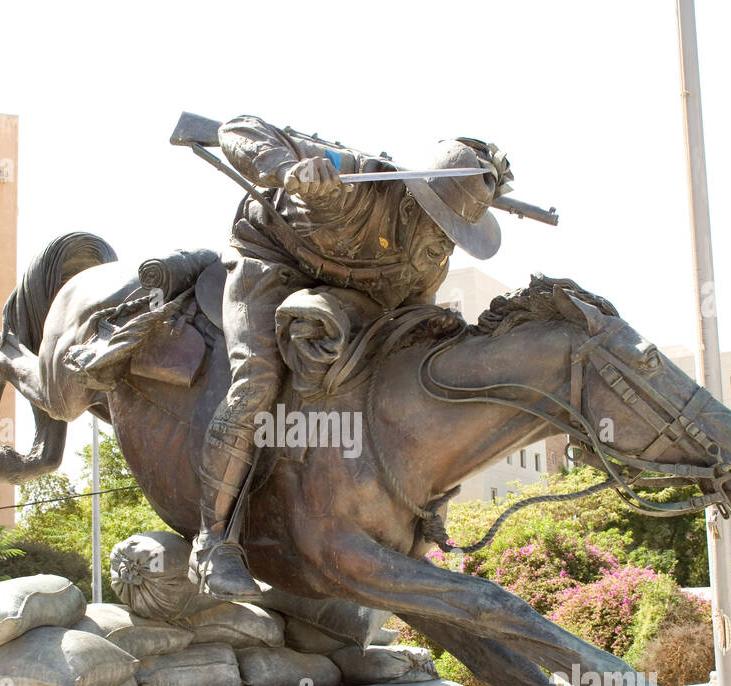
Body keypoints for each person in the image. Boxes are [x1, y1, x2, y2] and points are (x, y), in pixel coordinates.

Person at [191, 114, 513, 601]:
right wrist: (286, 170)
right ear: (413, 202)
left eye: (454, 231)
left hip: (343, 297)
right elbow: (239, 128)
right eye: (440, 223)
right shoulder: (356, 182)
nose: (444, 239)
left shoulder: (432, 256)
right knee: (255, 382)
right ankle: (213, 542)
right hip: (273, 263)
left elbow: (412, 320)